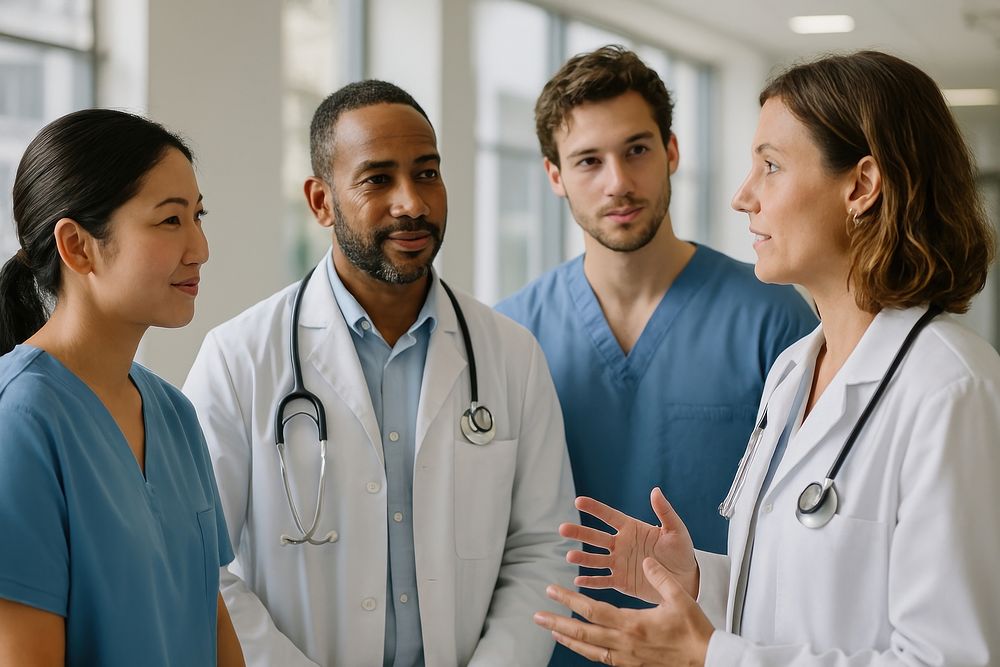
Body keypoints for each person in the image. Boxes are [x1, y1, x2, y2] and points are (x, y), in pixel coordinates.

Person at [532, 50, 1000, 666]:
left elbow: (952, 658)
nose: (743, 197)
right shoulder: (795, 370)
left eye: (771, 166)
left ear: (860, 185)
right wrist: (695, 577)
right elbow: (798, 594)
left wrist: (711, 658)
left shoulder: (950, 390)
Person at [183, 80, 576, 666]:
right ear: (321, 201)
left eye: (426, 173)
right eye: (377, 179)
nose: (411, 203)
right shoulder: (239, 359)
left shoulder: (511, 355)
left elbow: (544, 546)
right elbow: (196, 562)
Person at [495, 45, 817, 662]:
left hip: (718, 652)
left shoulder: (772, 320)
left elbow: (803, 539)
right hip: (556, 651)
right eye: (588, 161)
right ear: (554, 176)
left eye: (636, 150)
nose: (618, 181)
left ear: (671, 151)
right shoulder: (512, 336)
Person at [0, 109, 244, 666]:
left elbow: (211, 618)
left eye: (198, 217)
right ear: (78, 246)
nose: (200, 249)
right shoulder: (20, 420)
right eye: (169, 221)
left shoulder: (175, 415)